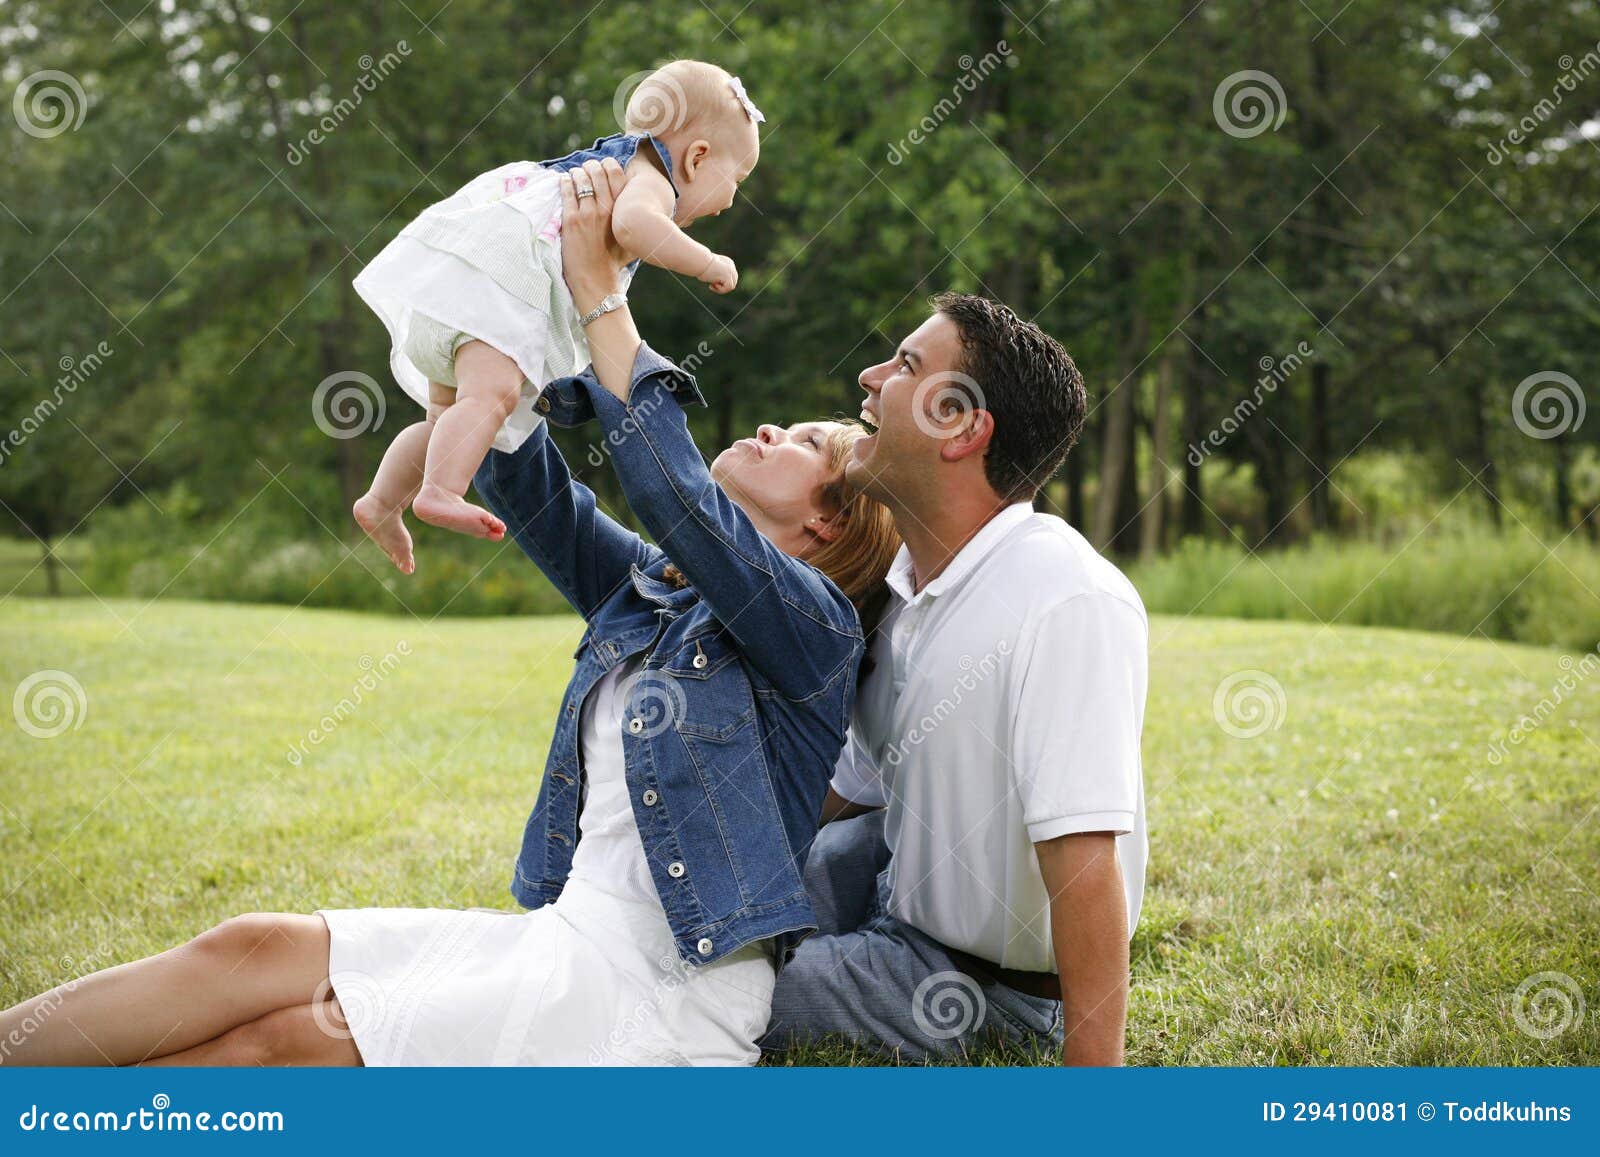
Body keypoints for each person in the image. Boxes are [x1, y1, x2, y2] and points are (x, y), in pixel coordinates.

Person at [0, 157, 899, 1068]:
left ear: (827, 521)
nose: (773, 429)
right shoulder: (662, 595)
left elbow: (675, 496)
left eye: (805, 444)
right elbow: (533, 488)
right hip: (568, 934)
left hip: (660, 990)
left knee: (295, 1041)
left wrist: (600, 297)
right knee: (250, 945)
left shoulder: (815, 631)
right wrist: (522, 301)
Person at [761, 293, 1149, 1066]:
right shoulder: (910, 591)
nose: (869, 378)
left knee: (709, 1000)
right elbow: (848, 791)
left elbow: (1083, 859)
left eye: (905, 364)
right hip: (885, 877)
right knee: (708, 917)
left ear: (963, 425)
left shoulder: (1061, 593)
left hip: (969, 979)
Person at [351, 59, 761, 571]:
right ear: (697, 157)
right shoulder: (650, 177)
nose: (729, 201)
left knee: (445, 420)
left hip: (452, 297)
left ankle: (382, 501)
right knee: (494, 395)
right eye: (736, 181)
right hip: (493, 290)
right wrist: (707, 262)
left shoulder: (610, 164)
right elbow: (635, 226)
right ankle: (438, 492)